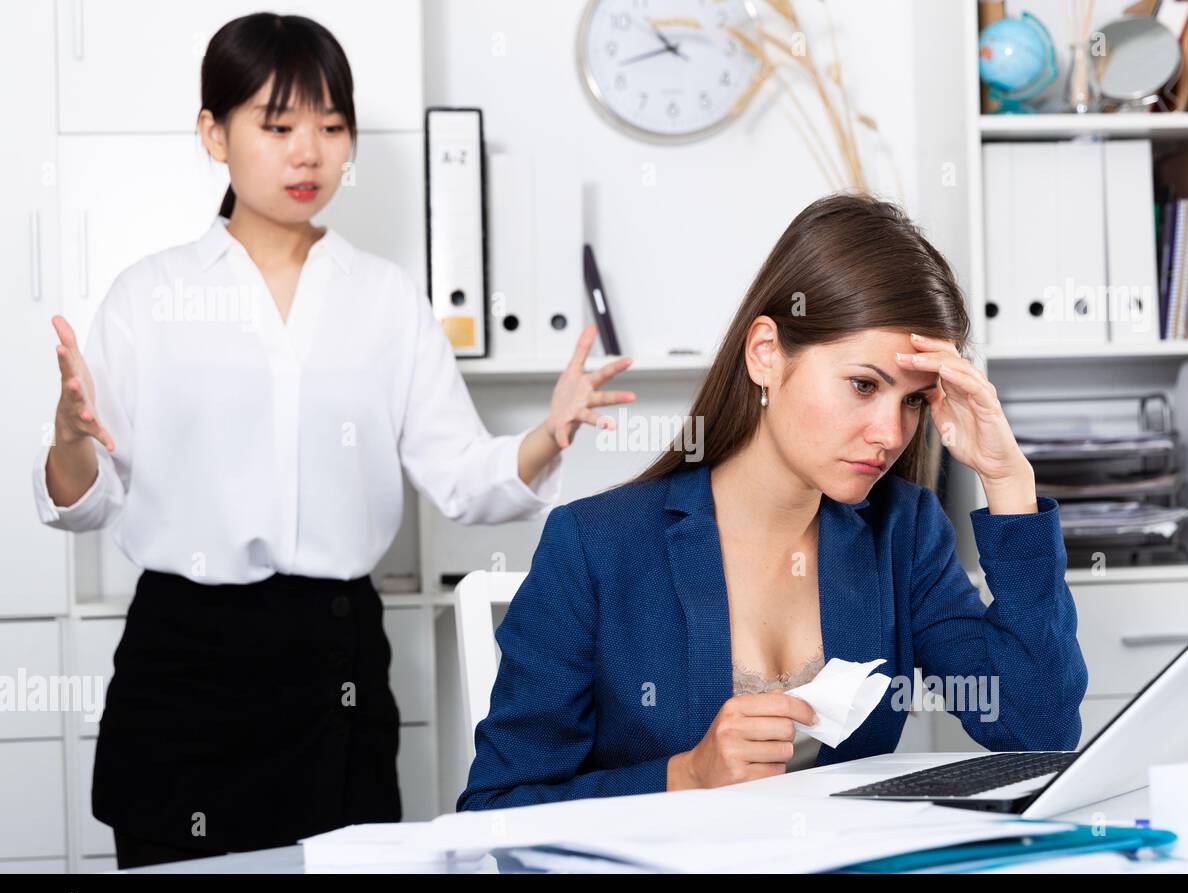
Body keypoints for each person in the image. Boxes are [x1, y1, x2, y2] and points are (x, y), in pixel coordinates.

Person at [32, 13, 634, 868]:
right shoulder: (148, 296)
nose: (308, 153)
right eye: (276, 127)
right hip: (185, 654)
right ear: (214, 132)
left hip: (334, 658)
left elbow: (465, 478)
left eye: (330, 126)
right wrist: (68, 438)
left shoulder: (385, 299)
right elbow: (86, 503)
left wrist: (548, 431)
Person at [458, 193, 1088, 812]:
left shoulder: (903, 532)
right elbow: (497, 808)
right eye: (863, 385)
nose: (891, 435)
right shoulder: (597, 543)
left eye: (914, 401)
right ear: (765, 354)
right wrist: (685, 776)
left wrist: (1008, 482)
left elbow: (1037, 730)